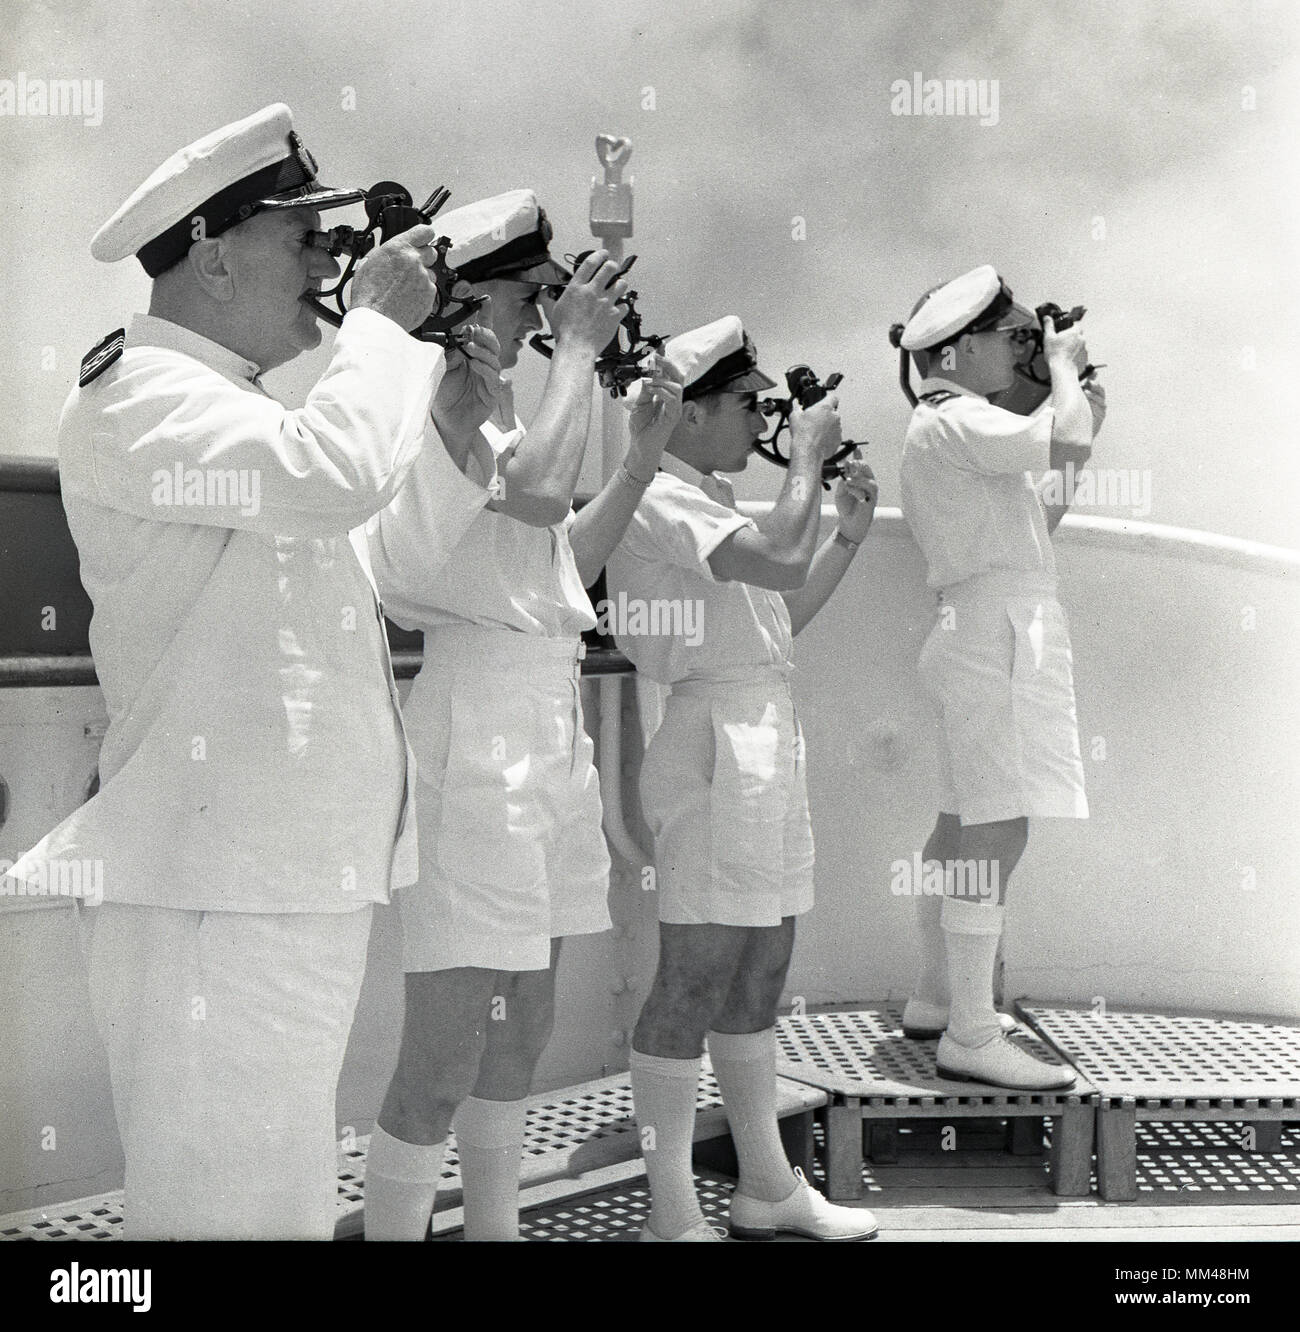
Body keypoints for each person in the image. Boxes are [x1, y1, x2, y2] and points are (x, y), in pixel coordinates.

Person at [1, 103, 499, 1238]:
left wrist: (458, 425)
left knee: (266, 1204)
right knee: (223, 1215)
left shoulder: (245, 415)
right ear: (215, 252)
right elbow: (330, 479)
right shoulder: (138, 399)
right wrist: (381, 330)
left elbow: (388, 559)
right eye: (306, 240)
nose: (330, 266)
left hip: (278, 879)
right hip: (216, 894)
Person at [362, 189, 684, 1241]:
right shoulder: (446, 395)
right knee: (448, 1041)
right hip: (477, 718)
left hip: (544, 708)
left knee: (525, 1018)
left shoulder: (497, 402)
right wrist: (580, 362)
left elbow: (559, 564)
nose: (548, 318)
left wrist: (637, 459)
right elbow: (541, 493)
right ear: (470, 301)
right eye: (535, 299)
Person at [605, 316, 880, 1242]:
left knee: (761, 968)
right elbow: (772, 556)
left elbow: (777, 614)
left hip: (760, 729)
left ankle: (766, 1185)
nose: (760, 417)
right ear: (687, 416)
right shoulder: (661, 499)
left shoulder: (708, 497)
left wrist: (842, 537)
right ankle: (672, 1210)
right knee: (692, 978)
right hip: (711, 744)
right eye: (748, 405)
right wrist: (805, 460)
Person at [895, 265, 1106, 1089]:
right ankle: (973, 1035)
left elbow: (1033, 525)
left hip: (985, 623)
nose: (1016, 352)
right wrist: (1063, 368)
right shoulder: (955, 420)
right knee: (998, 827)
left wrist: (1073, 403)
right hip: (997, 635)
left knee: (961, 824)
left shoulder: (952, 427)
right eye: (1009, 339)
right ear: (960, 348)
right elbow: (1069, 435)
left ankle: (940, 998)